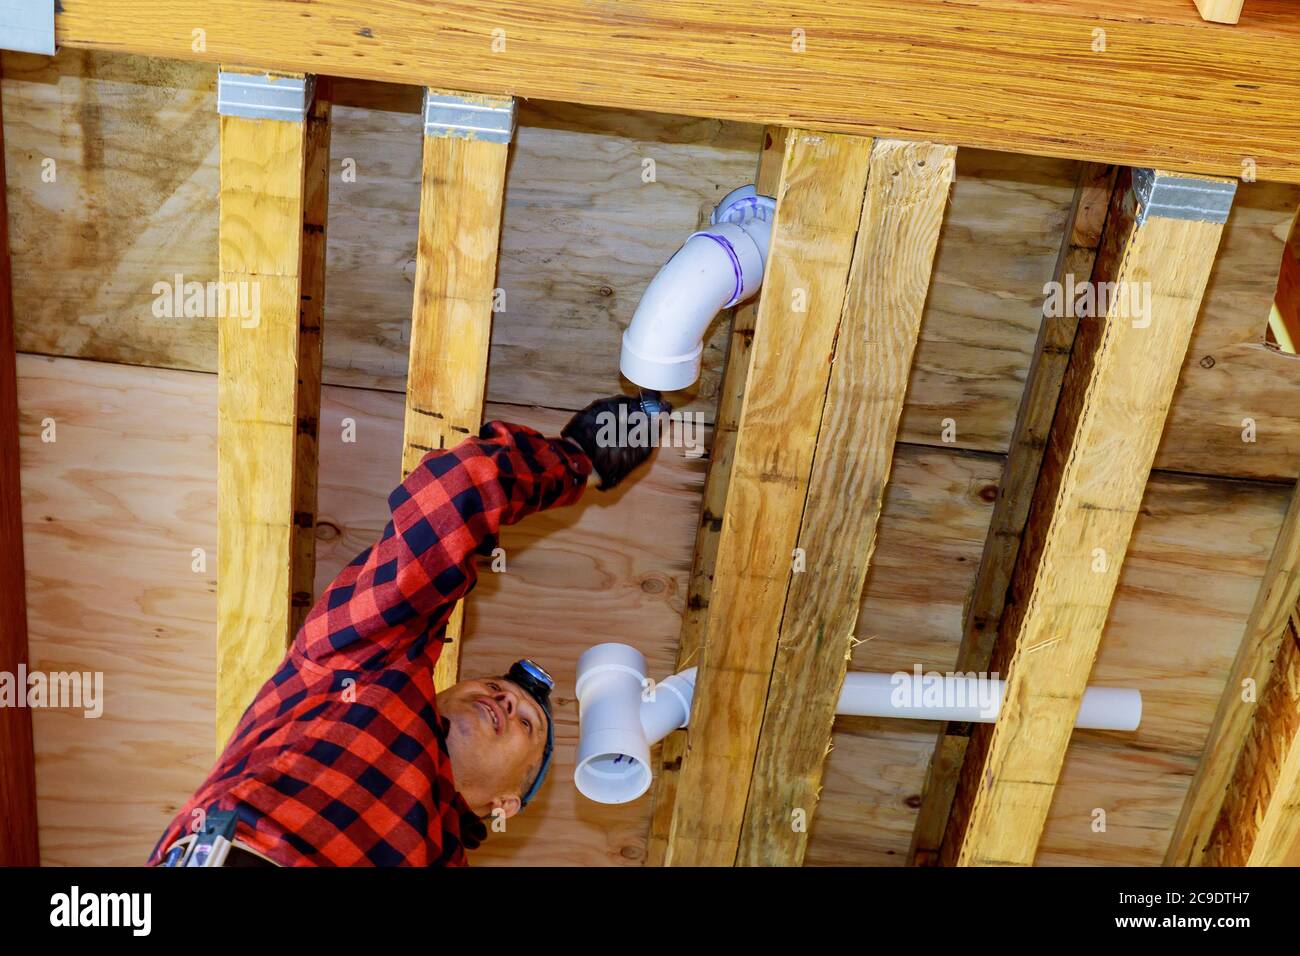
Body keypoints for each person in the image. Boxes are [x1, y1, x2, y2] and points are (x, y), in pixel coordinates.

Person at [148, 393, 666, 867]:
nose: (505, 701)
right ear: (440, 695)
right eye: (495, 688)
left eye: (527, 722)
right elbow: (453, 493)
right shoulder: (370, 666)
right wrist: (577, 459)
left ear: (505, 804)